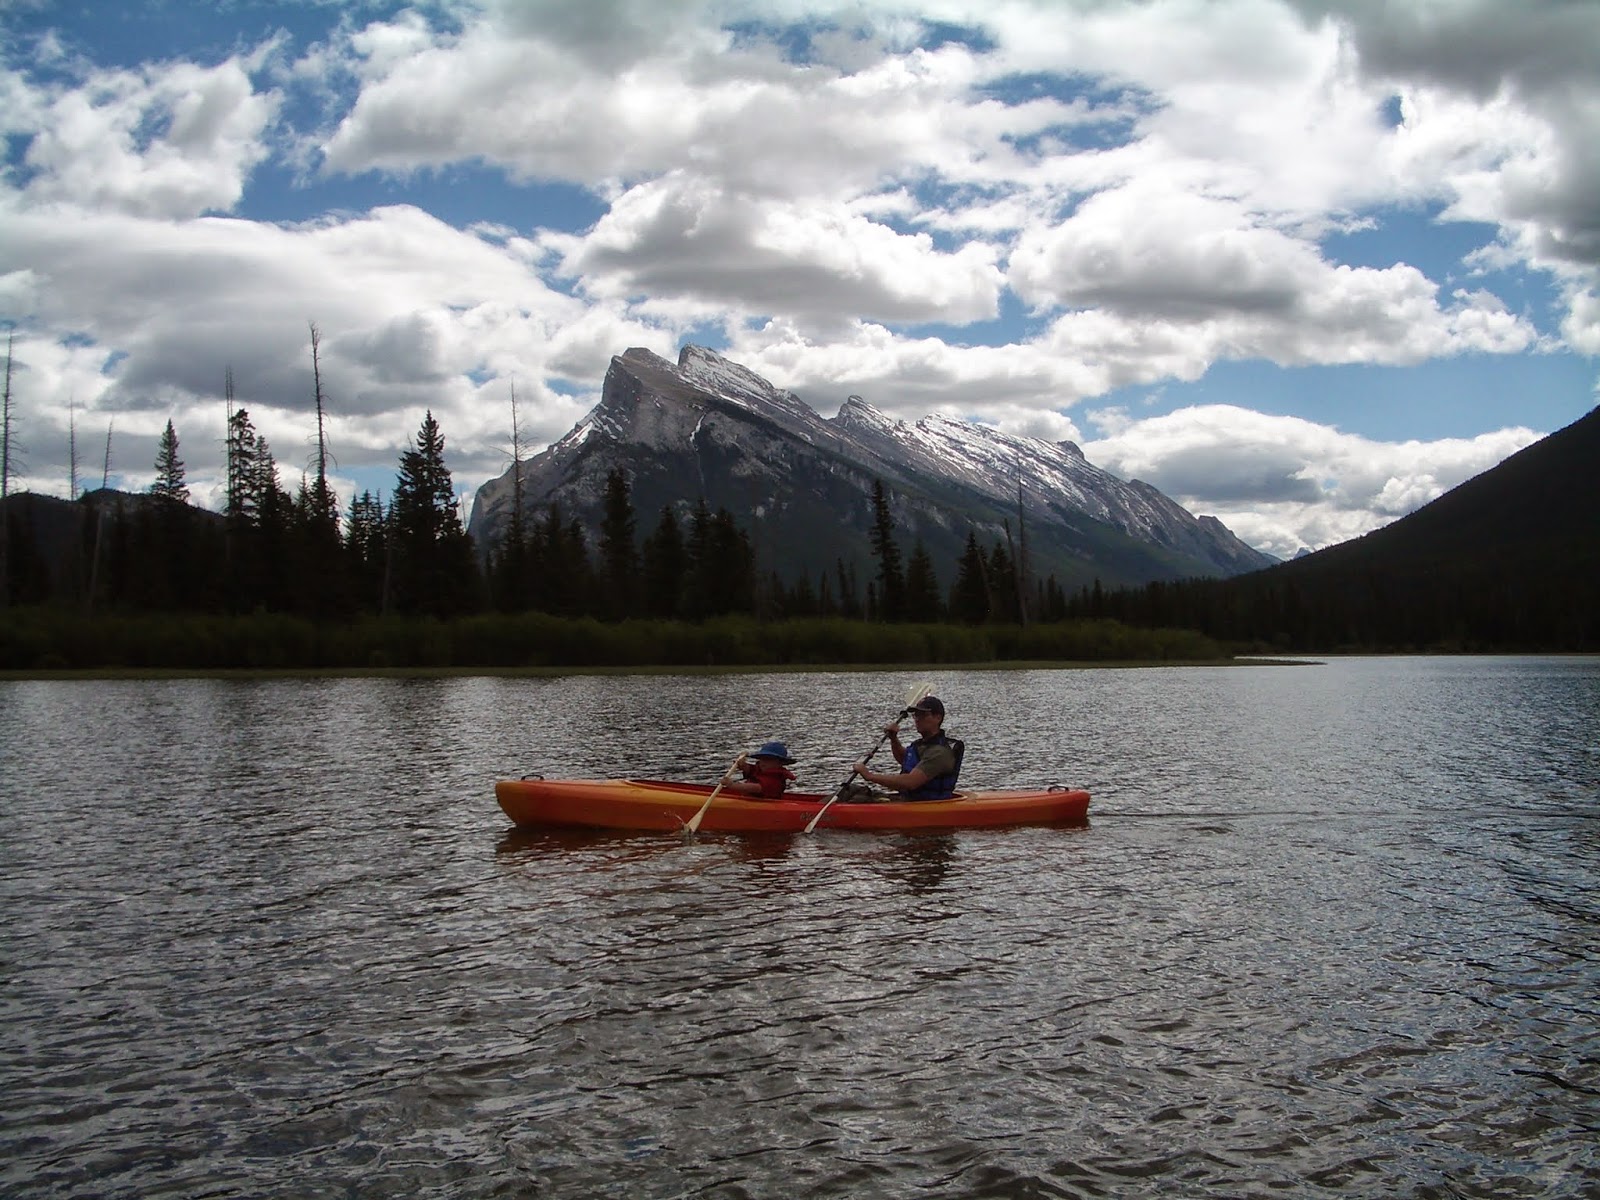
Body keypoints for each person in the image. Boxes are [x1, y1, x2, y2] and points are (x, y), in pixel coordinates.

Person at [850, 696, 963, 800]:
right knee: (850, 790)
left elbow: (910, 782)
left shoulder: (940, 752)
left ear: (938, 717)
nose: (917, 719)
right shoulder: (922, 744)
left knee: (857, 800)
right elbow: (905, 760)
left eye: (923, 715)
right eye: (916, 715)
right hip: (908, 799)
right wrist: (894, 739)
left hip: (923, 805)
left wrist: (870, 776)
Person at [722, 741, 798, 799]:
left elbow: (755, 788)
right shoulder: (762, 769)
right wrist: (743, 766)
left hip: (768, 807)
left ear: (779, 763)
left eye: (768, 759)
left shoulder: (775, 779)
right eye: (761, 759)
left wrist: (733, 785)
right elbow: (752, 770)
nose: (762, 762)